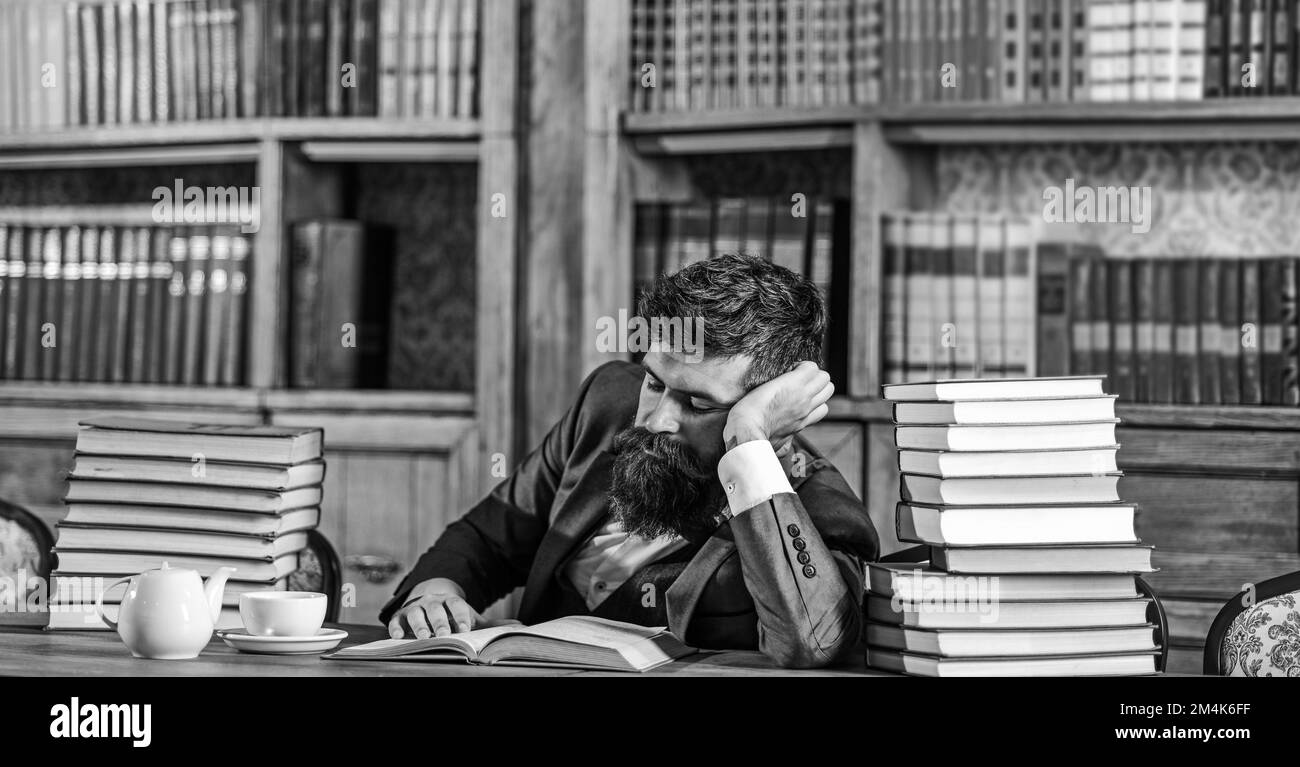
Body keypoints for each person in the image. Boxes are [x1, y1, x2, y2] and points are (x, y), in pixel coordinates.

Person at [380, 254, 879, 668]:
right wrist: (435, 592)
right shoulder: (608, 400)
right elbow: (492, 536)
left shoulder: (820, 515)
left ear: (776, 405)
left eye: (700, 405)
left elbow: (812, 644)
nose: (658, 419)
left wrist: (747, 438)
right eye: (656, 383)